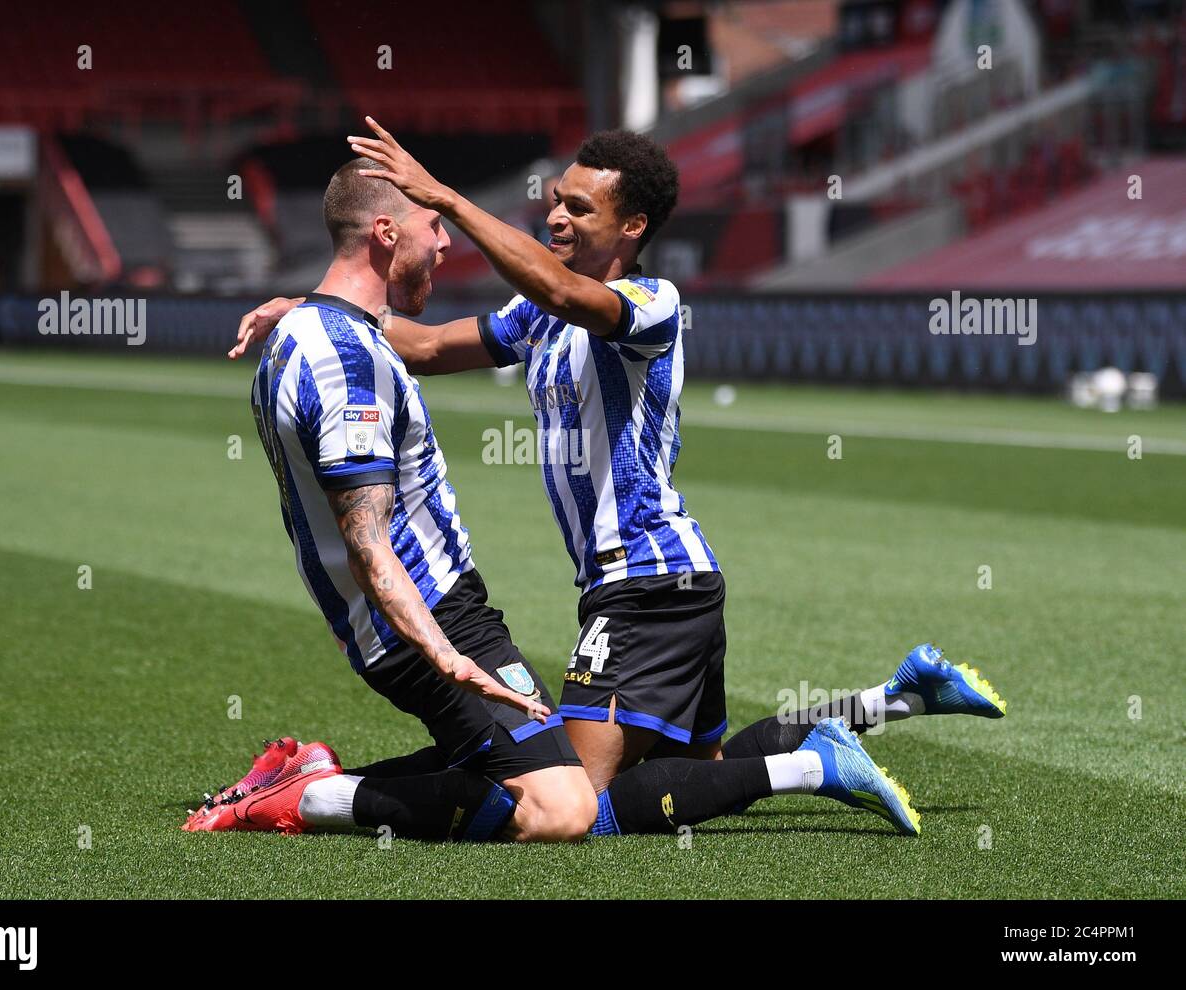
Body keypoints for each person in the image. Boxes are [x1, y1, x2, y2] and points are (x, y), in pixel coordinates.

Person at [228, 123, 1006, 836]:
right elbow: (426, 348)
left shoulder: (647, 303)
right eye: (556, 201)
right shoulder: (537, 313)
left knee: (575, 800)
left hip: (646, 582)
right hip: (671, 582)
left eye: (579, 208)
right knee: (701, 772)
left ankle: (814, 768)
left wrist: (447, 201)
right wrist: (322, 309)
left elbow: (571, 296)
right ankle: (895, 698)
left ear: (632, 229)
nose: (557, 217)